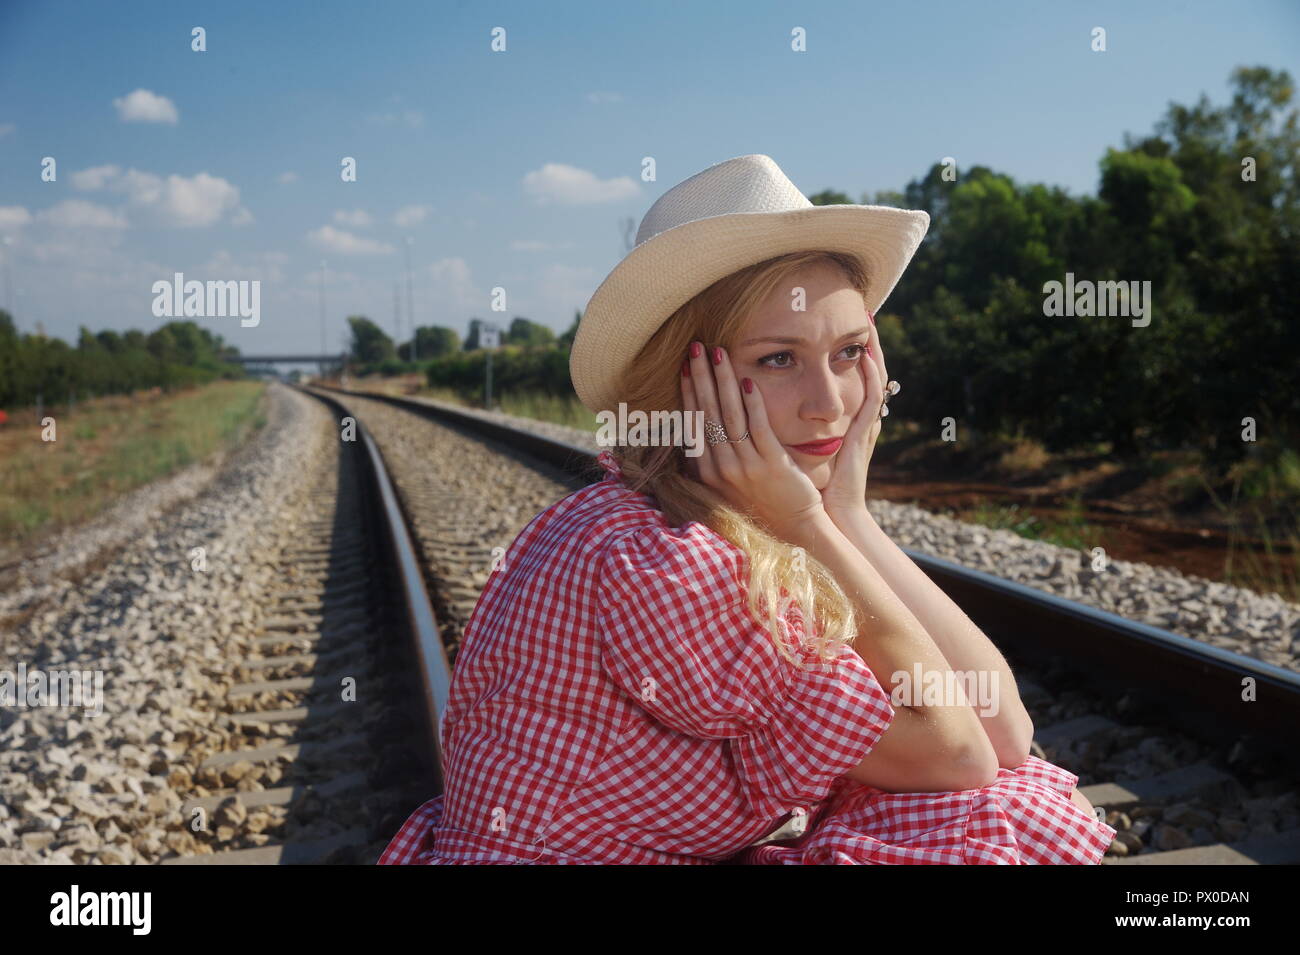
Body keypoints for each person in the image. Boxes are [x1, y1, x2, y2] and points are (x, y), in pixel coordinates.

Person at [378, 154, 1118, 865]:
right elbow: (960, 752)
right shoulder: (663, 562)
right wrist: (810, 523)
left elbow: (1005, 734)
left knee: (1006, 799)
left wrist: (848, 516)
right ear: (685, 384)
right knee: (985, 812)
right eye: (777, 359)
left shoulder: (685, 514)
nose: (830, 403)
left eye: (849, 352)